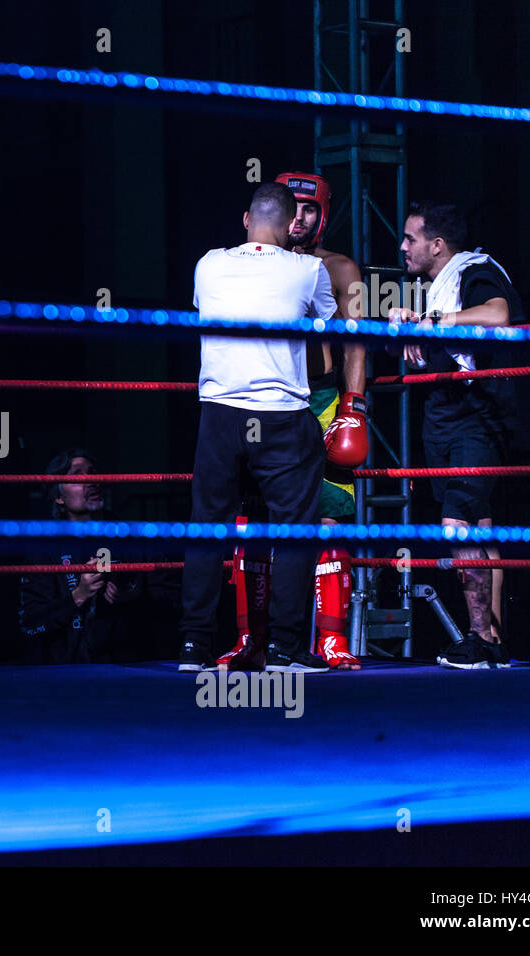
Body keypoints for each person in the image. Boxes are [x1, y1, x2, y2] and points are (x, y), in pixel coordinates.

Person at [179, 182, 334, 673]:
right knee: (294, 531)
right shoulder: (308, 269)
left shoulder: (208, 264)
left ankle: (193, 647)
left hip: (220, 414)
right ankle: (285, 648)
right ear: (292, 225)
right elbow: (327, 332)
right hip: (281, 415)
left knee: (208, 526)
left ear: (246, 220)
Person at [216, 172, 368, 671]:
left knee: (328, 516)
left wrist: (354, 406)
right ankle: (252, 640)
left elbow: (356, 341)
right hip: (261, 400)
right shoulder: (246, 265)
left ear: (324, 215)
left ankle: (330, 639)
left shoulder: (339, 268)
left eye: (310, 209)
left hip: (320, 399)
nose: (299, 218)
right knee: (255, 520)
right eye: (293, 208)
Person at [391, 201, 523, 669]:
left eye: (410, 239)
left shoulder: (475, 270)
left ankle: (480, 638)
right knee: (479, 525)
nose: (402, 247)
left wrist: (433, 323)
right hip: (448, 415)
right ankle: (493, 642)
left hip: (475, 414)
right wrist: (412, 326)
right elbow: (436, 352)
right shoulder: (438, 289)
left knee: (458, 522)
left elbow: (498, 314)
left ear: (437, 245)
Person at [17, 449, 173, 663]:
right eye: (77, 475)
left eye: (92, 473)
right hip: (68, 672)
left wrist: (133, 596)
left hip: (132, 667)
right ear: (58, 497)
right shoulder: (44, 548)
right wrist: (77, 596)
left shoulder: (135, 536)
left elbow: (172, 604)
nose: (90, 480)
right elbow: (30, 625)